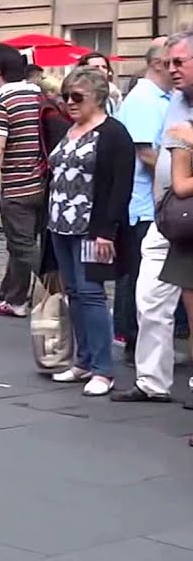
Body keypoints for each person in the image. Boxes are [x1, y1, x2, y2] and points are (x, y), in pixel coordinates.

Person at [45, 66, 134, 396]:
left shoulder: (113, 133)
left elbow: (119, 186)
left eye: (77, 96)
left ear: (98, 97)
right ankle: (82, 361)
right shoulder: (71, 130)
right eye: (65, 96)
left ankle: (103, 368)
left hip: (90, 226)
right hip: (60, 224)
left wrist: (106, 231)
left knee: (91, 293)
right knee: (74, 294)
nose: (69, 102)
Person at [118, 33, 193, 403]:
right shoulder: (175, 100)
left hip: (186, 211)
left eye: (180, 62)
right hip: (166, 215)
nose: (171, 69)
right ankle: (152, 381)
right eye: (168, 62)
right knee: (149, 298)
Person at [0, 43, 46, 318]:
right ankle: (14, 298)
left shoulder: (3, 101)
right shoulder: (41, 98)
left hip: (18, 186)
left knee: (23, 247)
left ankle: (61, 290)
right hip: (45, 182)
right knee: (23, 244)